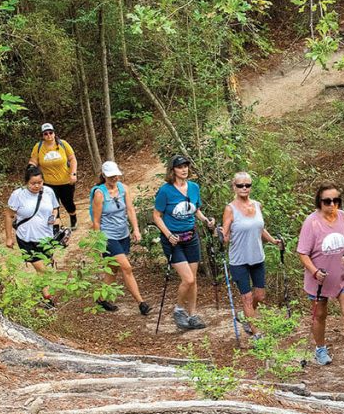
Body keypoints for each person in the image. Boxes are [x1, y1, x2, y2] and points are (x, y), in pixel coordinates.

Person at [297, 183, 344, 370]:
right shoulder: (311, 222)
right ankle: (320, 349)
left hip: (343, 276)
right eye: (327, 201)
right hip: (319, 278)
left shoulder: (343, 217)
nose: (332, 204)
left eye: (336, 200)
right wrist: (314, 271)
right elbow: (303, 253)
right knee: (320, 314)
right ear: (319, 202)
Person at [152, 154, 216, 330]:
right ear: (173, 170)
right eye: (180, 167)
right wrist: (168, 234)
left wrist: (206, 221)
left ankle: (192, 315)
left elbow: (196, 209)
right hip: (173, 240)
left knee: (193, 280)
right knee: (187, 279)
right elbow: (156, 216)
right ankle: (179, 309)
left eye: (186, 166)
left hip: (191, 237)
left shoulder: (194, 188)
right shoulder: (165, 191)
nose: (184, 169)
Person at [219, 171, 284, 339]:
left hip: (257, 257)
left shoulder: (257, 205)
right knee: (247, 298)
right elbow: (225, 236)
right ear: (234, 187)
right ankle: (256, 333)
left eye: (247, 185)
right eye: (240, 185)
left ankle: (246, 317)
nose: (244, 188)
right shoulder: (230, 209)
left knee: (260, 296)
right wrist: (220, 235)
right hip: (239, 260)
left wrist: (273, 241)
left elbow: (260, 228)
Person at [90, 160, 151, 315]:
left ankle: (102, 299)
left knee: (112, 269)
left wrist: (136, 229)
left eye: (116, 175)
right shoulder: (99, 193)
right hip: (108, 236)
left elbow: (130, 210)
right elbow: (96, 221)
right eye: (110, 176)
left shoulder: (124, 189)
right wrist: (98, 243)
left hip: (123, 234)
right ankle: (141, 303)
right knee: (127, 267)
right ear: (103, 176)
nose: (114, 179)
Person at [4, 164, 61, 308]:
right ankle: (47, 299)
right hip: (26, 238)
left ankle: (38, 292)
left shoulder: (48, 192)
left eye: (39, 183)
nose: (36, 186)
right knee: (43, 270)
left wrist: (53, 217)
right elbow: (9, 215)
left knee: (44, 269)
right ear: (26, 182)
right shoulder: (18, 195)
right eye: (33, 183)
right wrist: (9, 237)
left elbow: (55, 208)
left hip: (46, 238)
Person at [28, 123, 79, 230]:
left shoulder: (63, 144)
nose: (49, 135)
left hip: (65, 181)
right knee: (53, 206)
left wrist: (73, 173)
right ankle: (57, 227)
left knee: (68, 203)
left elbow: (72, 159)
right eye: (45, 134)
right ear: (42, 135)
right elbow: (34, 160)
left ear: (54, 133)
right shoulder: (38, 147)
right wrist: (31, 167)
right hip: (48, 183)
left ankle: (73, 217)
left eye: (50, 133)